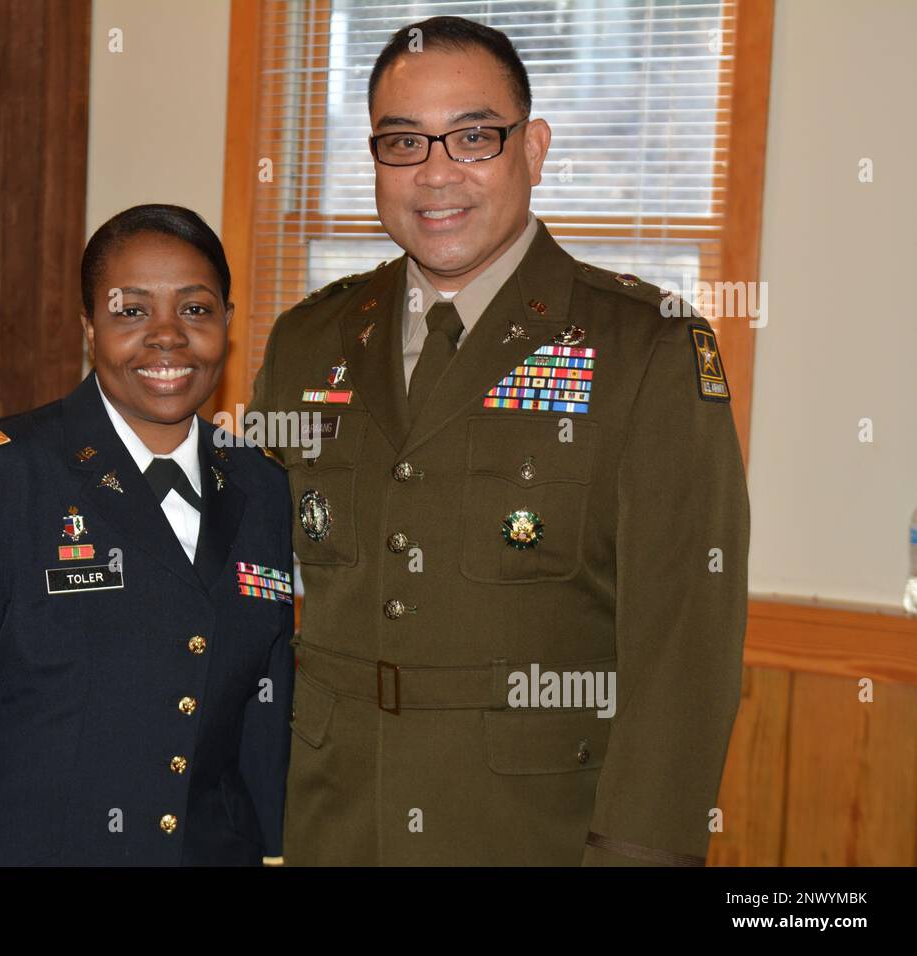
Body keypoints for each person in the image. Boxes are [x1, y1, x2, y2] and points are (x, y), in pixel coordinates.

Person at [250, 17, 749, 865]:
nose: (437, 173)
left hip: (531, 834)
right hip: (328, 826)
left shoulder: (645, 348)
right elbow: (250, 588)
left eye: (474, 136)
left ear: (535, 147)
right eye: (404, 142)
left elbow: (683, 650)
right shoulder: (310, 340)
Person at [0, 203, 295, 865]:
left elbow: (264, 724)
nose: (167, 337)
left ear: (228, 327)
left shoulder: (261, 485)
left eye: (195, 309)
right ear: (89, 329)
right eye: (131, 311)